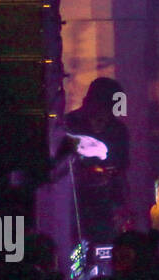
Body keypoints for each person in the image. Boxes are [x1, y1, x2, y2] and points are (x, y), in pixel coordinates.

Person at [54, 76, 131, 245]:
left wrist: (121, 207)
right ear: (88, 103)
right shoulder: (67, 126)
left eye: (108, 112)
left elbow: (121, 171)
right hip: (72, 207)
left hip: (104, 210)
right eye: (99, 111)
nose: (102, 119)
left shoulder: (117, 131)